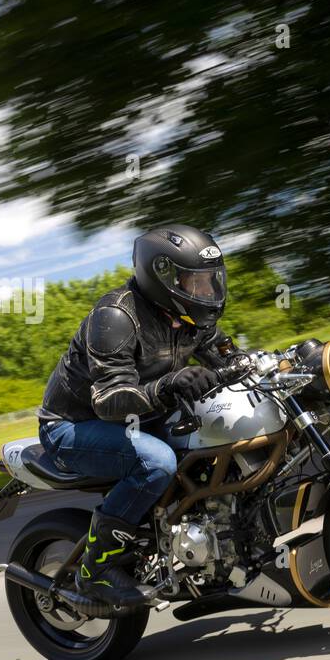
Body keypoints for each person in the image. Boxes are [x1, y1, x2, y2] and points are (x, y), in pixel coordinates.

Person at [35, 224, 252, 607]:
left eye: (211, 281)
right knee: (157, 461)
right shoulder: (116, 316)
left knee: (225, 427)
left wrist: (276, 363)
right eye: (197, 282)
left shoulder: (191, 317)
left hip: (143, 417)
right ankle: (96, 571)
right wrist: (167, 387)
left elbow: (229, 358)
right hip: (75, 426)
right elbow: (109, 398)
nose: (207, 291)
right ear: (164, 277)